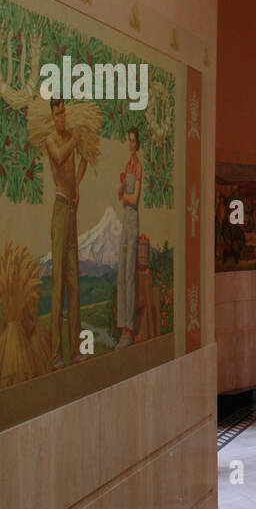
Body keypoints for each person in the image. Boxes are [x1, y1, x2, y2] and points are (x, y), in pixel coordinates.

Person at [43, 97, 90, 368]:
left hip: (72, 210)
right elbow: (60, 158)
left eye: (64, 113)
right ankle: (54, 355)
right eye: (58, 113)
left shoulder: (69, 139)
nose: (61, 117)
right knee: (58, 281)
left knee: (74, 284)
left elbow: (75, 171)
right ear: (52, 116)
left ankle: (75, 350)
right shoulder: (52, 140)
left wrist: (84, 158)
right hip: (60, 211)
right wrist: (75, 140)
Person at [116, 126, 143, 349]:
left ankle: (129, 329)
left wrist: (125, 196)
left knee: (129, 275)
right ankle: (122, 326)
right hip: (125, 219)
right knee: (122, 273)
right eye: (129, 140)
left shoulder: (139, 167)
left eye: (133, 140)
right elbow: (121, 195)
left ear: (138, 144)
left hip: (133, 220)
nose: (131, 143)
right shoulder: (127, 165)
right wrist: (123, 185)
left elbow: (134, 200)